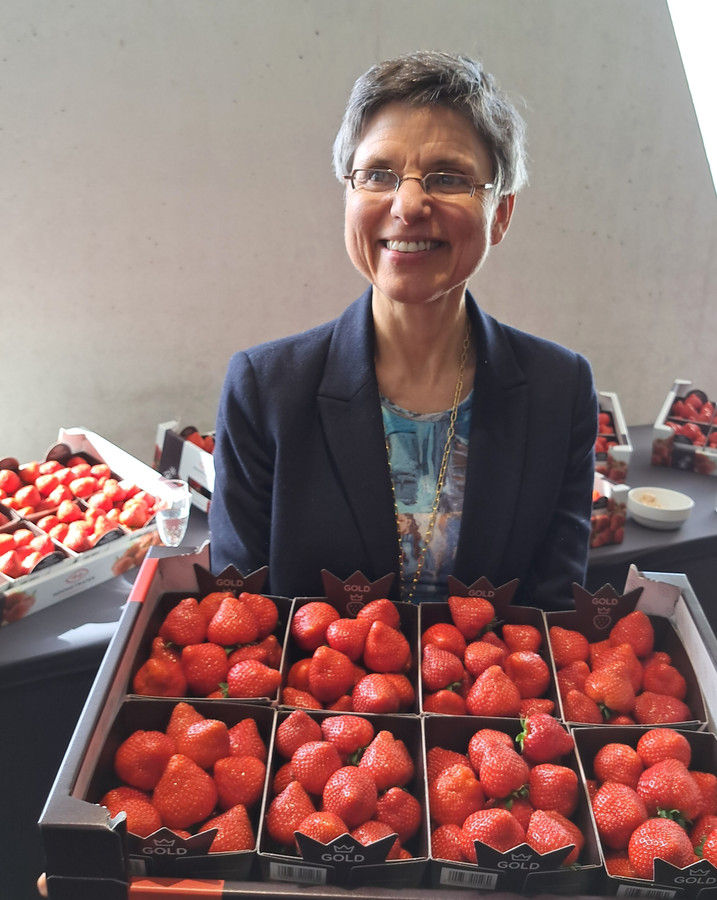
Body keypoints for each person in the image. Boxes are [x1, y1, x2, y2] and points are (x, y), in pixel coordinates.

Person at [209, 50, 598, 610]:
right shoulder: (264, 388)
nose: (409, 204)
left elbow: (554, 612)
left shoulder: (560, 388)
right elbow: (240, 614)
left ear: (501, 213)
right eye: (377, 175)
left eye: (448, 177)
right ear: (349, 197)